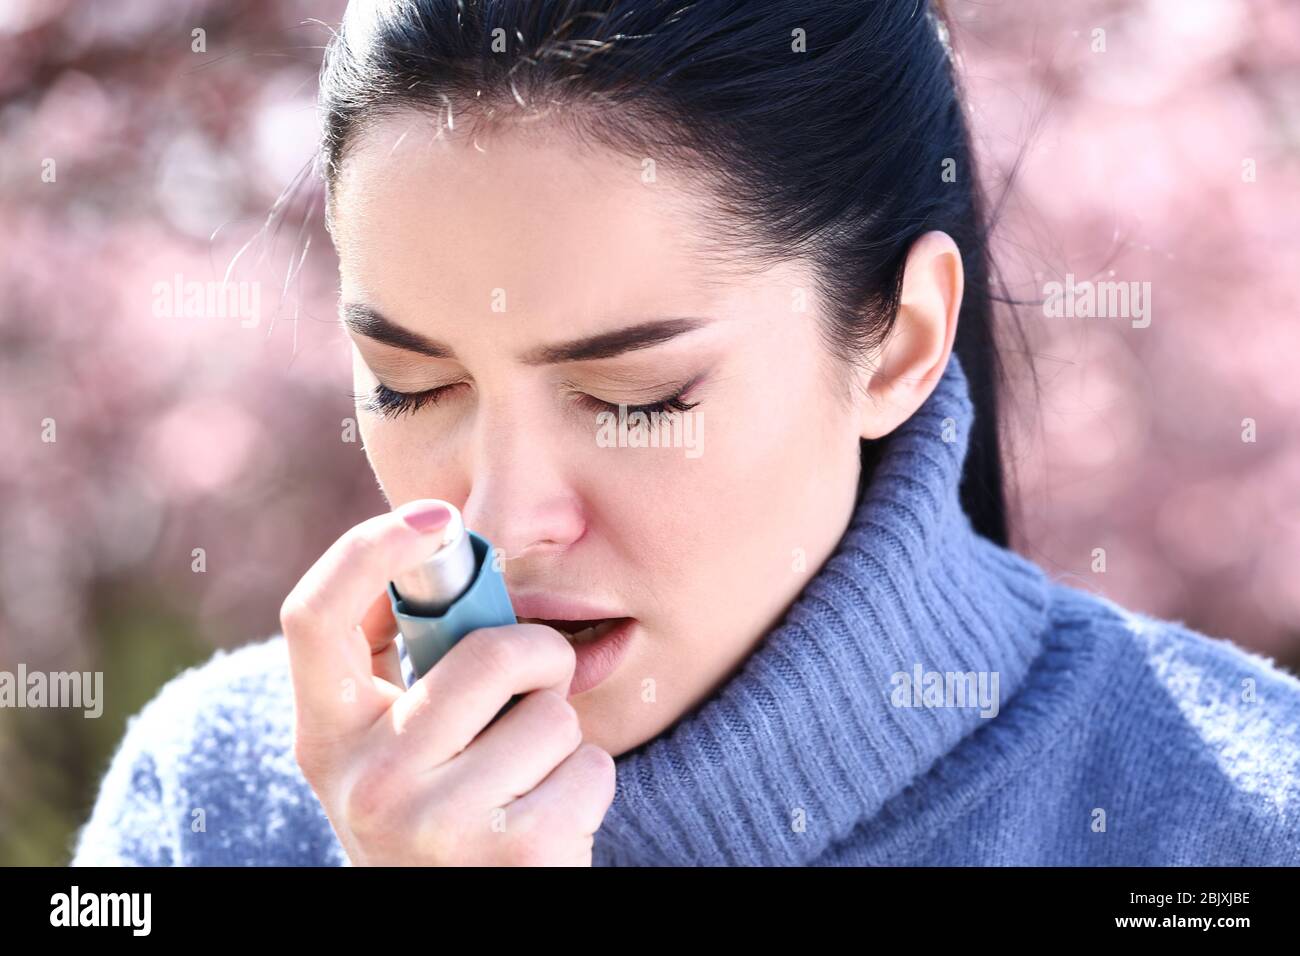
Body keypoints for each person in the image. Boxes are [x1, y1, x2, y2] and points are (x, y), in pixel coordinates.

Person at [70, 0, 1300, 866]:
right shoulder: (216, 798)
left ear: (901, 340)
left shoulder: (1237, 817)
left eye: (635, 396)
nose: (498, 516)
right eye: (406, 384)